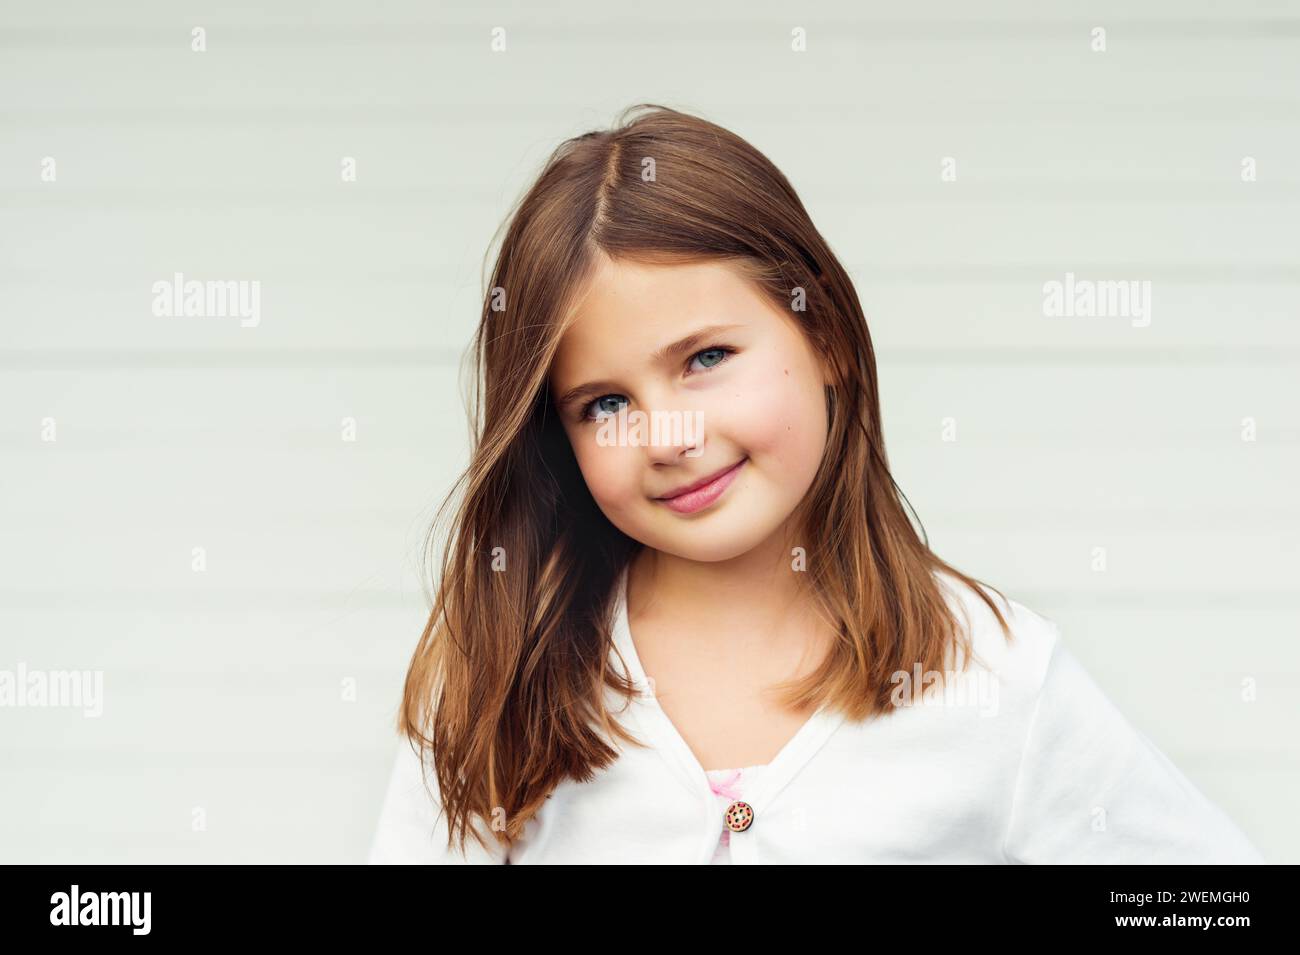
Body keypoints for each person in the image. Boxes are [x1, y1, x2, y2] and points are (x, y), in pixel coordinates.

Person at [367, 104, 1263, 864]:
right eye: (604, 403)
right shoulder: (499, 683)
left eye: (707, 358)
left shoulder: (997, 677)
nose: (668, 436)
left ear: (823, 330)